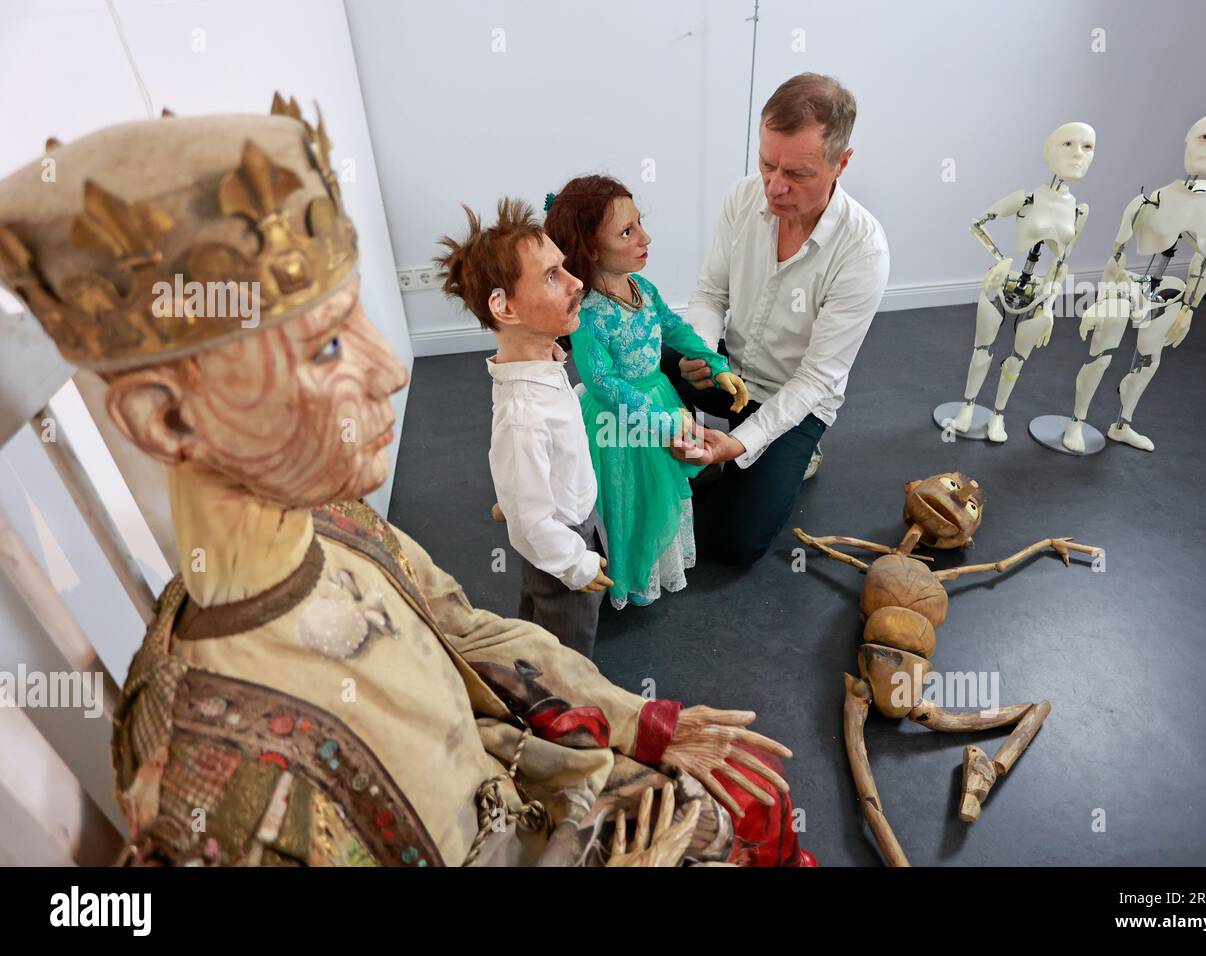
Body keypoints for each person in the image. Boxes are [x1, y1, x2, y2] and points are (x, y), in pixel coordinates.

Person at [0, 98, 813, 866]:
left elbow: (471, 632)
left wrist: (643, 721)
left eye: (357, 319)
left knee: (751, 798)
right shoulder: (215, 780)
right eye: (324, 348)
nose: (390, 371)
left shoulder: (337, 522)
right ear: (167, 418)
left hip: (517, 779)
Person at [663, 72, 890, 566]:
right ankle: (675, 461)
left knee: (736, 544)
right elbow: (709, 294)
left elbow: (815, 379)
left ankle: (784, 457)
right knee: (641, 356)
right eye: (767, 165)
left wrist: (739, 444)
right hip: (727, 370)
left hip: (796, 400)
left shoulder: (864, 251)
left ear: (840, 164)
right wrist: (700, 351)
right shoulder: (742, 198)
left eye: (799, 174)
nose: (775, 187)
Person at [544, 176, 748, 608]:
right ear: (591, 250)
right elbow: (603, 383)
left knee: (661, 487)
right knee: (627, 497)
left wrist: (715, 364)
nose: (645, 237)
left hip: (660, 398)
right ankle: (624, 573)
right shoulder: (589, 315)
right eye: (627, 231)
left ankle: (654, 563)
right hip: (618, 420)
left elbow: (673, 327)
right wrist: (658, 419)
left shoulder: (643, 289)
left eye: (640, 224)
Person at [436, 198, 612, 658]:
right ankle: (563, 711)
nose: (576, 283)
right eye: (553, 275)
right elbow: (531, 524)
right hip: (564, 540)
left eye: (565, 268)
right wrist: (576, 564)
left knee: (539, 614)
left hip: (577, 525)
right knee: (566, 650)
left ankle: (529, 658)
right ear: (505, 307)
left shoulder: (545, 364)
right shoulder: (523, 416)